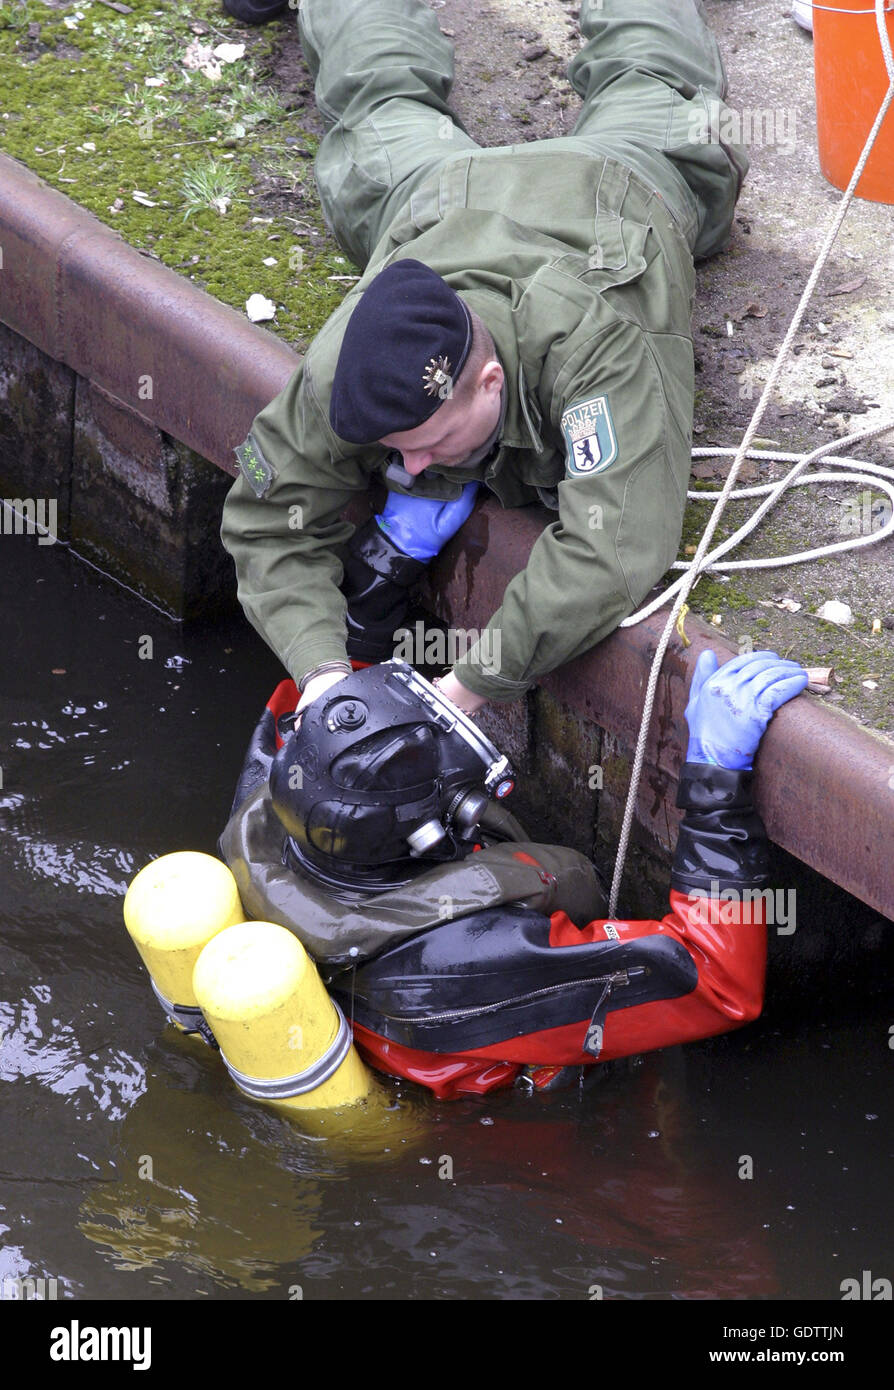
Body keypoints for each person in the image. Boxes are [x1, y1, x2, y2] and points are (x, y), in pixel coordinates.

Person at [220, 0, 749, 721]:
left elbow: (612, 549)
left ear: (490, 382)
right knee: (374, 92)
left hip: (616, 179)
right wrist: (321, 673)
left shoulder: (592, 352)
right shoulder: (350, 368)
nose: (406, 472)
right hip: (434, 201)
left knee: (649, 68)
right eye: (393, 452)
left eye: (428, 445)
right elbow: (266, 518)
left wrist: (463, 692)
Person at [218, 649, 808, 1097]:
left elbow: (354, 707)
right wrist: (715, 789)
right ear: (428, 833)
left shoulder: (274, 799)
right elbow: (716, 983)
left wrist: (392, 555)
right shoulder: (466, 956)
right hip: (502, 1127)